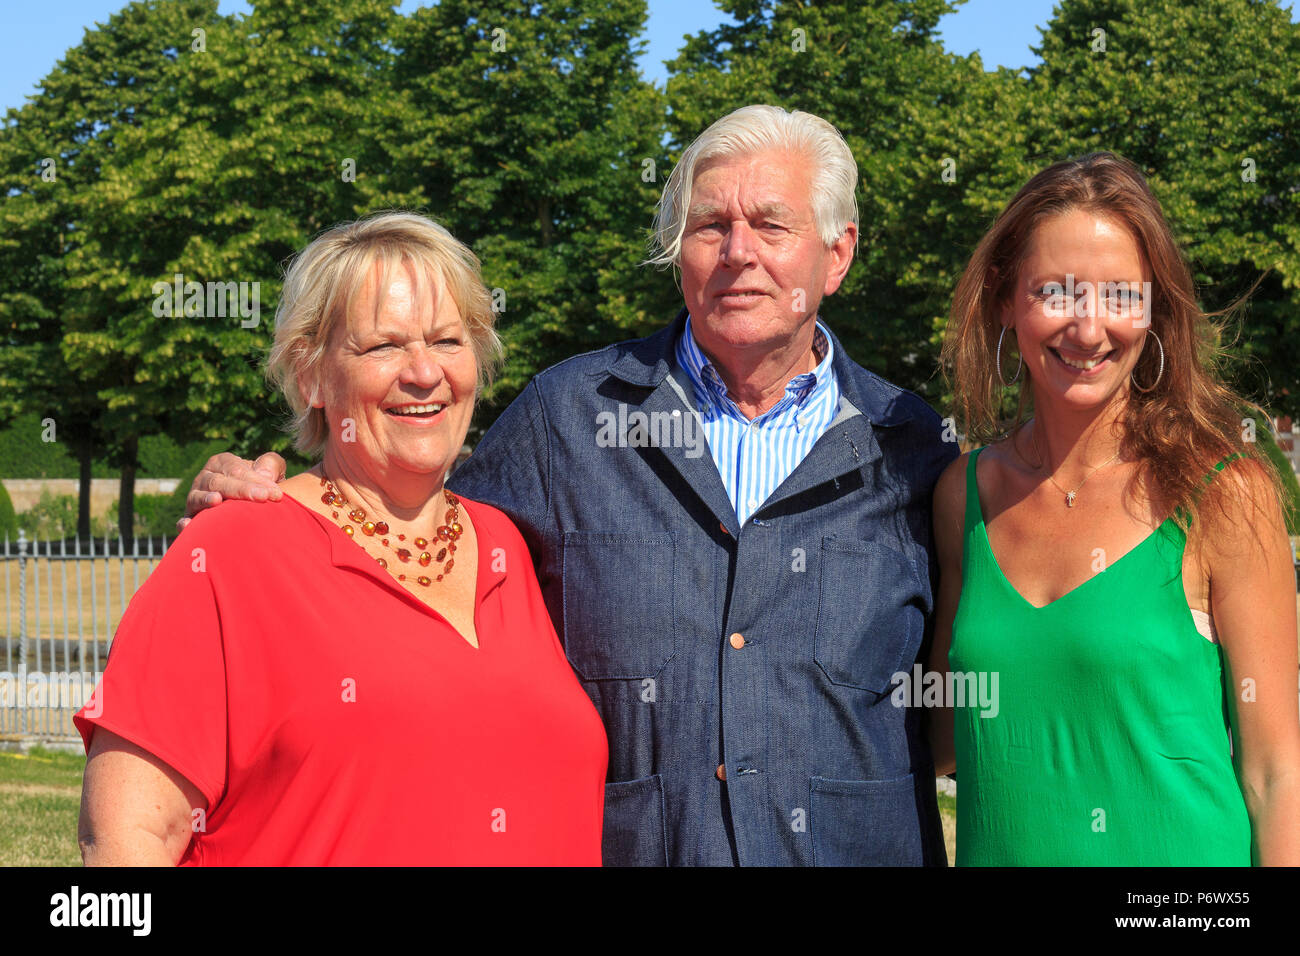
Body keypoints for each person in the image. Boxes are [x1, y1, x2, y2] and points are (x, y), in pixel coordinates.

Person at [184, 105, 957, 866]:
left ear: (838, 253)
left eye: (771, 225)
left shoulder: (916, 450)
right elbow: (403, 531)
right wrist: (270, 507)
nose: (737, 252)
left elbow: (964, 712)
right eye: (710, 225)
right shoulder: (569, 417)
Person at [75, 211, 608, 865]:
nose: (423, 372)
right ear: (311, 376)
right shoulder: (232, 551)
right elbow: (129, 838)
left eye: (447, 340)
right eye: (382, 346)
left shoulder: (511, 544)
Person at [928, 152, 1300, 865]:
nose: (1089, 328)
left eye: (1121, 295)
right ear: (1006, 299)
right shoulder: (962, 496)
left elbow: (1275, 774)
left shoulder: (1224, 492)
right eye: (1056, 293)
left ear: (1156, 308)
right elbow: (944, 743)